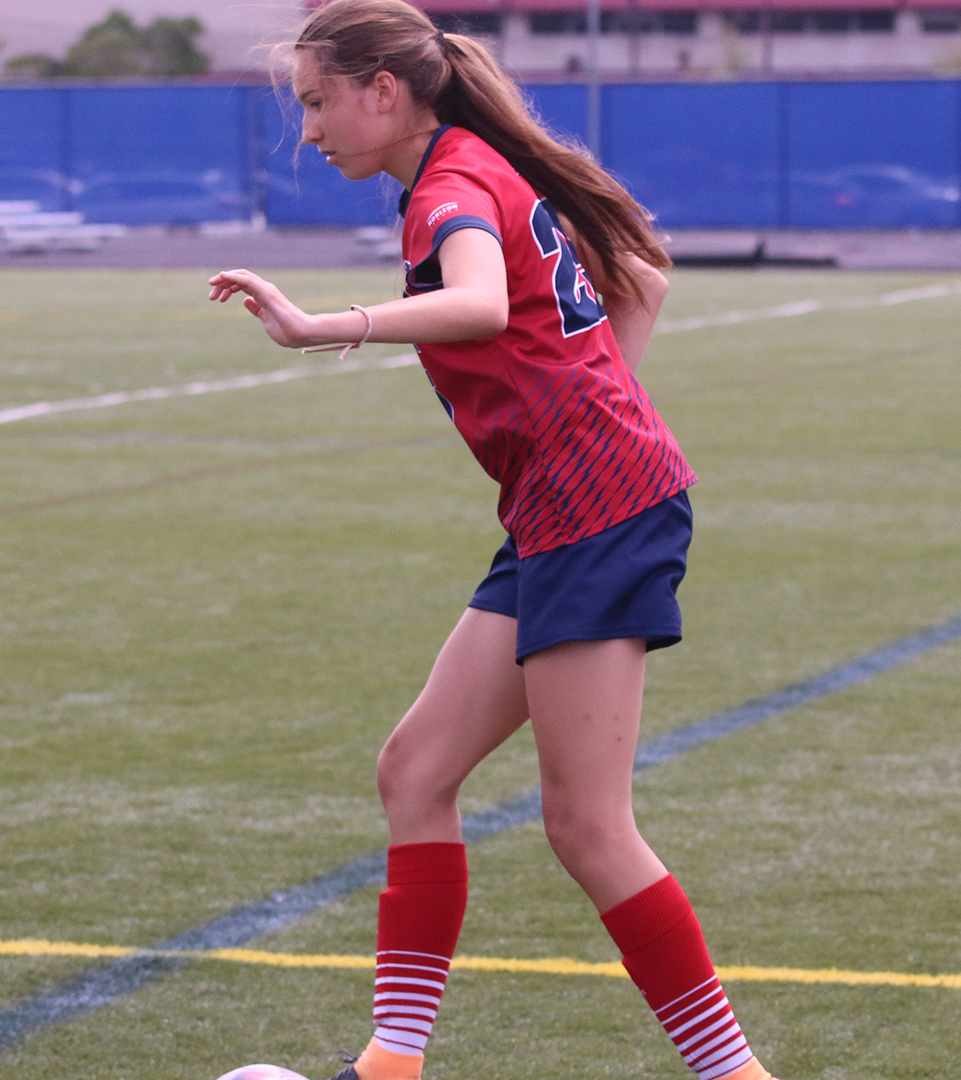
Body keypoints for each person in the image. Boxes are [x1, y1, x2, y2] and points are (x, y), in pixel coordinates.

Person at [206, 3, 778, 1079]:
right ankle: (392, 1062)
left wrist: (324, 325)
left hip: (599, 513)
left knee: (587, 826)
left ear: (385, 89)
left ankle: (736, 1076)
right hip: (569, 509)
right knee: (416, 771)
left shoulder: (451, 186)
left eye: (319, 102)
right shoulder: (464, 164)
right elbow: (641, 283)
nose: (311, 129)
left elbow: (474, 305)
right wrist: (596, 407)